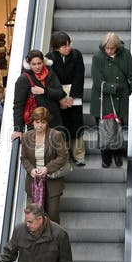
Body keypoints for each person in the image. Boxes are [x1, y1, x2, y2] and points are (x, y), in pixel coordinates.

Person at [90, 31, 132, 167]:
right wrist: (114, 87)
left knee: (118, 128)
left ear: (117, 47)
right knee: (103, 129)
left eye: (112, 48)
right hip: (103, 100)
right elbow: (97, 81)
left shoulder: (125, 54)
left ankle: (117, 154)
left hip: (120, 100)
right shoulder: (97, 58)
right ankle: (106, 157)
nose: (109, 51)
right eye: (107, 48)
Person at [21, 107, 69, 223]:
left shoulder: (55, 135)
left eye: (43, 122)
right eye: (37, 122)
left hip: (52, 182)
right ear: (33, 122)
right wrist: (31, 170)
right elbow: (24, 158)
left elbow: (63, 156)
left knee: (52, 214)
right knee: (36, 216)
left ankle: (53, 234)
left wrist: (47, 168)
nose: (40, 125)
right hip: (34, 183)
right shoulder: (26, 136)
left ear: (47, 122)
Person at [49, 31, 86, 166]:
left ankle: (79, 155)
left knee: (76, 124)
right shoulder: (50, 58)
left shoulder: (76, 55)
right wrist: (61, 98)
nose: (68, 48)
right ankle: (63, 156)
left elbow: (79, 77)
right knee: (61, 126)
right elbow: (51, 79)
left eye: (69, 44)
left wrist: (72, 96)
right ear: (56, 47)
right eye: (64, 46)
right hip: (58, 96)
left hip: (73, 95)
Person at [12, 49, 66, 137]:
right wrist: (18, 129)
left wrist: (44, 91)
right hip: (36, 124)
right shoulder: (24, 79)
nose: (37, 67)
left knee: (58, 143)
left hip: (55, 121)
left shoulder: (50, 72)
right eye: (33, 64)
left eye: (39, 63)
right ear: (29, 65)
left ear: (43, 62)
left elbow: (60, 93)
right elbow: (18, 106)